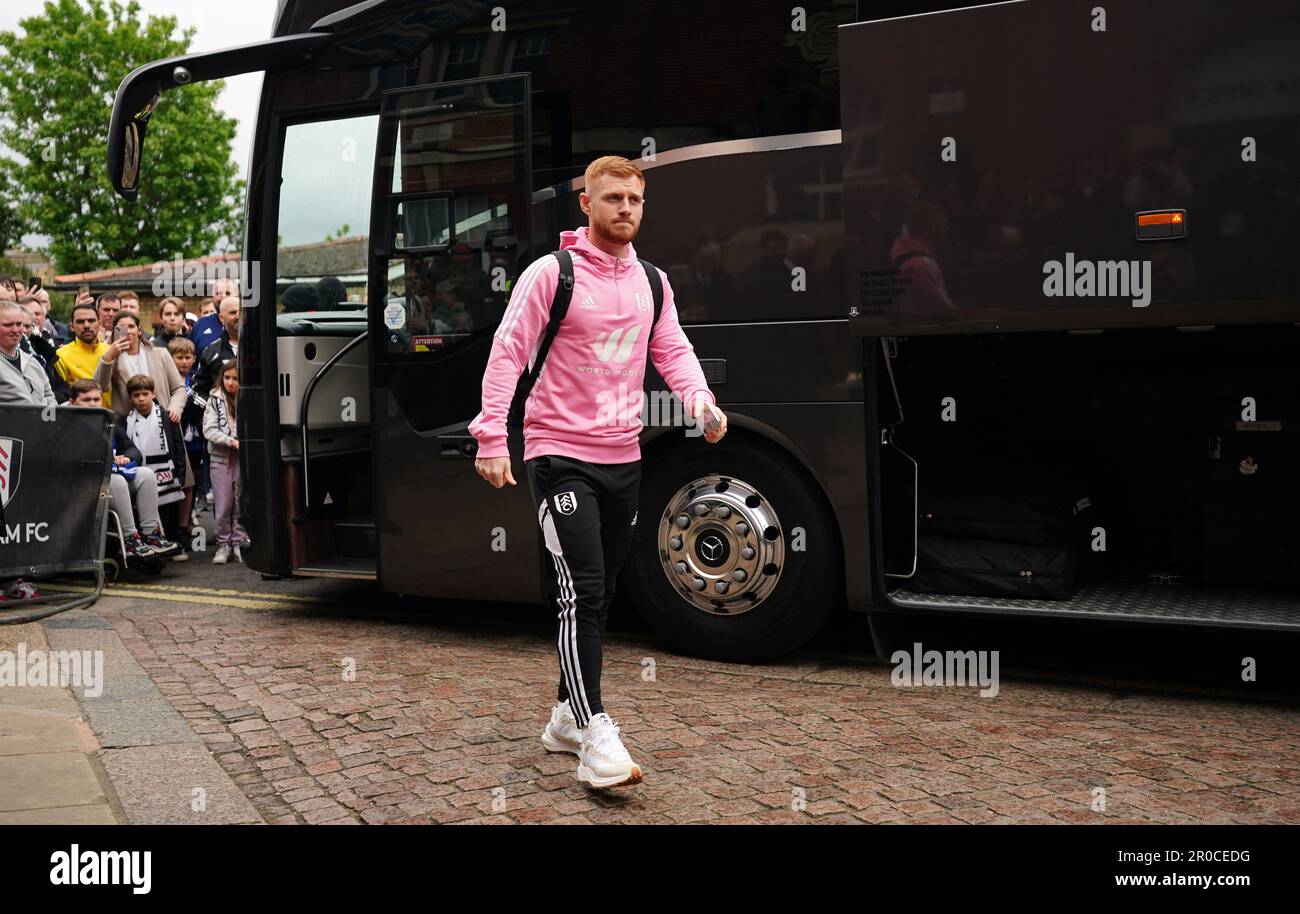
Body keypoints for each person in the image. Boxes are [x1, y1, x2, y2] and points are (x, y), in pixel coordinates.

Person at [468, 155, 728, 790]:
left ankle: (563, 717)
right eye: (612, 198)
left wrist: (699, 400)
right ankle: (595, 733)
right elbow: (508, 350)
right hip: (560, 456)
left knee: (602, 593)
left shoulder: (653, 282)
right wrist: (491, 434)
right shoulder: (550, 274)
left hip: (624, 457)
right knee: (582, 589)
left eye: (634, 200)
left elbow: (671, 348)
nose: (625, 210)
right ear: (585, 203)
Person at [67, 380, 179, 560]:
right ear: (72, 402)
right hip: (81, 486)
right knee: (116, 479)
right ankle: (130, 540)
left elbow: (133, 449)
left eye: (97, 399)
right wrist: (109, 459)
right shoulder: (65, 425)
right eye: (86, 400)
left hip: (109, 482)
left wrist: (126, 458)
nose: (93, 404)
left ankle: (152, 534)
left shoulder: (107, 420)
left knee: (145, 474)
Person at [116, 374, 187, 526]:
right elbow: (124, 448)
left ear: (153, 394)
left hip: (167, 477)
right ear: (130, 398)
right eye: (136, 395)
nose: (141, 399)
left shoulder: (167, 417)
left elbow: (178, 447)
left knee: (168, 515)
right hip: (140, 476)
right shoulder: (124, 421)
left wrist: (180, 475)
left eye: (145, 394)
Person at [203, 359, 247, 564]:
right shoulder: (214, 399)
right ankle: (223, 545)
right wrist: (231, 441)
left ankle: (238, 542)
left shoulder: (246, 397)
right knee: (223, 504)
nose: (230, 382)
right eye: (227, 377)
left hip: (242, 459)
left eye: (235, 378)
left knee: (240, 501)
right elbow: (209, 430)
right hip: (221, 458)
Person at [169, 337, 210, 529]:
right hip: (177, 437)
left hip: (196, 440)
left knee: (193, 479)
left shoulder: (196, 380)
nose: (184, 361)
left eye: (188, 357)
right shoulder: (168, 381)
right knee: (177, 480)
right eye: (179, 357)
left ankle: (188, 519)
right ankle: (175, 522)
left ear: (194, 359)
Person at [0, 300, 56, 406]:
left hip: (42, 421)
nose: (15, 330)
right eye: (8, 325)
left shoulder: (32, 361)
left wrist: (49, 420)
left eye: (19, 324)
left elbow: (49, 396)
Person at [54, 304, 109, 405]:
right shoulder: (61, 355)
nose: (87, 325)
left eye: (91, 320)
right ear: (72, 327)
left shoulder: (110, 352)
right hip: (78, 418)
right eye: (80, 321)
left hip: (111, 417)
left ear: (100, 324)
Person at [193, 295, 239, 397]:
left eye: (241, 311)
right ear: (221, 318)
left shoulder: (259, 348)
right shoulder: (211, 351)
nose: (238, 316)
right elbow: (200, 389)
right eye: (233, 312)